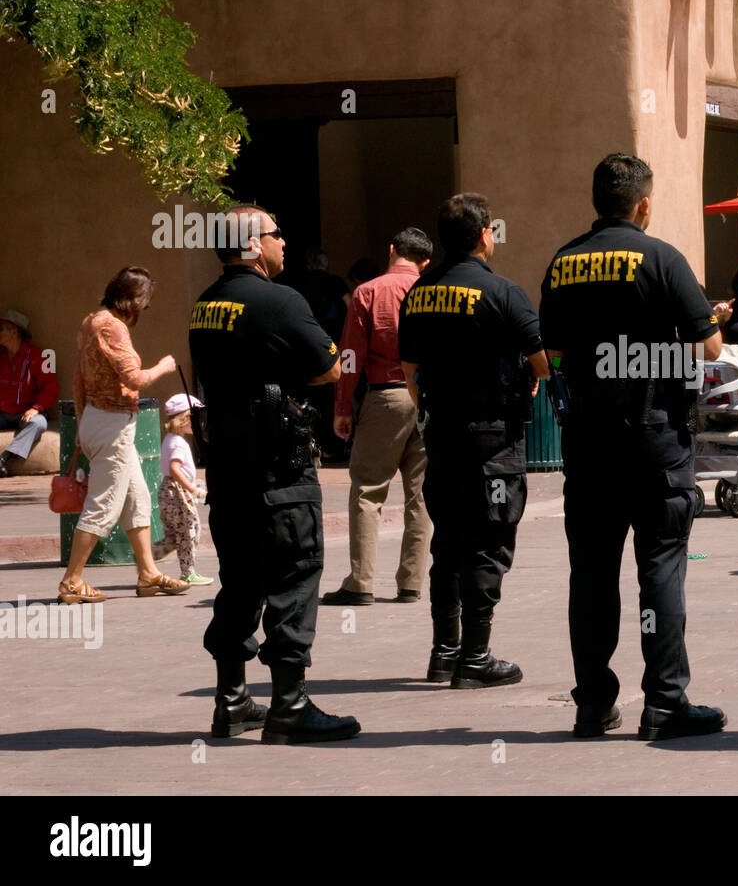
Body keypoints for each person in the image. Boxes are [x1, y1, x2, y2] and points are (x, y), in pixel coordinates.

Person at [539, 153, 725, 740]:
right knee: (661, 571)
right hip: (653, 443)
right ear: (643, 203)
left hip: (589, 444)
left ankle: (592, 703)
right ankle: (665, 703)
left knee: (591, 576)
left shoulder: (564, 262)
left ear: (597, 201)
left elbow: (552, 353)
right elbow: (712, 348)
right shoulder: (662, 258)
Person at [190, 204, 358, 744]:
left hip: (228, 470)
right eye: (275, 233)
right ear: (251, 245)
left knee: (240, 580)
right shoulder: (279, 300)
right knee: (294, 575)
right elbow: (327, 366)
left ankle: (232, 700)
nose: (284, 241)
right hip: (279, 468)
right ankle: (289, 705)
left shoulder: (205, 305)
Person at [400, 194, 548, 689]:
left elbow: (410, 369)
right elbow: (543, 361)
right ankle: (476, 657)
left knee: (449, 542)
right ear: (485, 234)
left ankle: (444, 654)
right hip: (492, 442)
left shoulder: (419, 292)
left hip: (442, 436)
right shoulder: (503, 292)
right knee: (488, 542)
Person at [57, 267, 188, 605]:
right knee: (102, 506)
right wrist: (164, 366)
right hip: (112, 426)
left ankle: (147, 574)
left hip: (103, 423)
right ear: (130, 299)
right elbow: (134, 379)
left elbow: (78, 379)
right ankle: (72, 581)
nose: (145, 308)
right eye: (144, 301)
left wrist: (83, 424)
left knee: (137, 498)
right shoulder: (112, 327)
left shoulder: (91, 322)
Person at [323, 228, 435, 607]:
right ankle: (411, 582)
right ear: (426, 262)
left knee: (369, 490)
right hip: (429, 398)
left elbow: (350, 356)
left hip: (385, 395)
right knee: (420, 496)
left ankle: (362, 581)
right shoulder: (432, 289)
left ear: (391, 251)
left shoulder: (367, 292)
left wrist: (342, 407)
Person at [151, 394, 212, 586]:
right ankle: (188, 572)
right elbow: (175, 469)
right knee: (188, 531)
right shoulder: (178, 442)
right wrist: (193, 489)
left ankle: (145, 558)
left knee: (174, 535)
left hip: (169, 491)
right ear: (186, 419)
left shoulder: (170, 439)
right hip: (176, 492)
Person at [0, 308, 57, 477]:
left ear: (14, 331)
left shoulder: (38, 357)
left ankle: (5, 457)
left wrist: (36, 408)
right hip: (3, 413)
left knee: (39, 423)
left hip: (26, 413)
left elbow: (50, 388)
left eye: (1, 329)